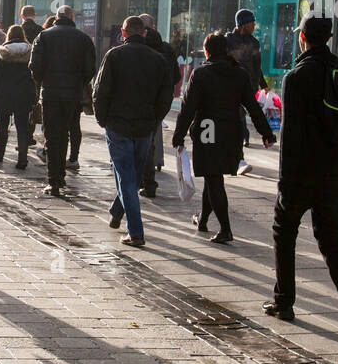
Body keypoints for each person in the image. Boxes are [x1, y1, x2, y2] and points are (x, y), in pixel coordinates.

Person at [262, 15, 338, 336]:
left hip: (301, 173)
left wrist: (285, 181)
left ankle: (284, 300)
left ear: (303, 37)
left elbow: (291, 136)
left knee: (284, 230)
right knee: (328, 234)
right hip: (334, 173)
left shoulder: (297, 77)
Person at [173, 32, 276, 245]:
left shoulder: (201, 74)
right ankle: (202, 220)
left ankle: (225, 229)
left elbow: (188, 108)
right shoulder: (240, 74)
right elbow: (253, 106)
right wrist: (266, 133)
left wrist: (179, 135)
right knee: (214, 175)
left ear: (208, 51)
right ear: (226, 50)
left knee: (214, 178)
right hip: (232, 132)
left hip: (207, 131)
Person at [92, 15, 172, 246]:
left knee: (127, 176)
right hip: (145, 125)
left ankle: (135, 231)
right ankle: (117, 212)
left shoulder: (114, 55)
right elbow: (166, 96)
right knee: (133, 175)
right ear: (144, 33)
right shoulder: (158, 60)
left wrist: (102, 119)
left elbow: (101, 90)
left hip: (118, 124)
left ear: (124, 33)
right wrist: (156, 119)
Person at [30, 5, 96, 195]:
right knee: (66, 132)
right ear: (72, 17)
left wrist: (42, 82)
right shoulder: (83, 39)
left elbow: (34, 65)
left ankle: (54, 179)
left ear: (56, 17)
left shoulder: (44, 37)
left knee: (51, 135)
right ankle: (61, 176)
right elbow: (90, 68)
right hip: (73, 94)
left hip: (50, 93)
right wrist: (79, 83)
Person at [141, 13, 181, 197]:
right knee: (149, 140)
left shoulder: (139, 48)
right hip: (161, 102)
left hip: (141, 101)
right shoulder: (166, 48)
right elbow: (176, 77)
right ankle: (148, 180)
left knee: (140, 142)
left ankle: (145, 180)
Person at [0, 26, 36, 170]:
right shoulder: (30, 52)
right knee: (22, 127)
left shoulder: (3, 53)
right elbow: (33, 78)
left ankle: (0, 153)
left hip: (4, 94)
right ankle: (22, 158)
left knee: (3, 125)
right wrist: (34, 96)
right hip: (24, 95)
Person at [226, 8, 268, 175]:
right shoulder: (228, 41)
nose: (254, 25)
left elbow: (257, 67)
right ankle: (238, 158)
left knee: (239, 120)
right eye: (252, 22)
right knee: (237, 120)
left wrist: (262, 84)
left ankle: (238, 154)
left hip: (248, 89)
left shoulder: (254, 43)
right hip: (231, 88)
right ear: (243, 24)